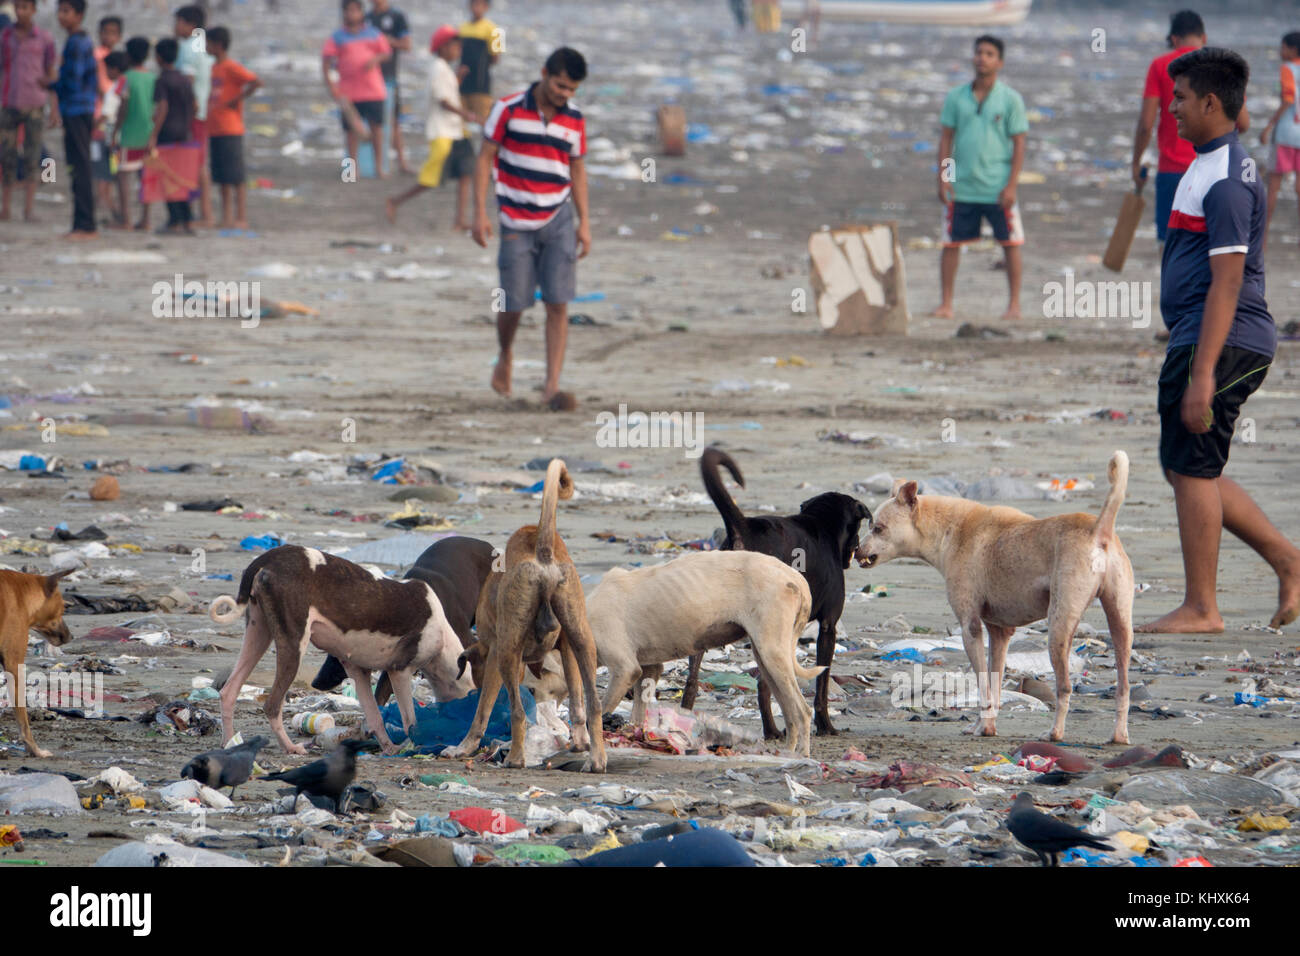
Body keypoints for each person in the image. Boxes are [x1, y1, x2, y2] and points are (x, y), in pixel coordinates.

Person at [1139, 47, 1300, 635]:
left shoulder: (1229, 178)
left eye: (1180, 98)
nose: (1172, 108)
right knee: (1185, 467)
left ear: (1210, 102)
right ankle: (1287, 562)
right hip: (1204, 335)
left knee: (1193, 467)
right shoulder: (1209, 163)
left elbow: (1228, 282)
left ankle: (1202, 608)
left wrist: (1203, 372)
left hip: (1222, 339)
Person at [473, 46, 590, 410]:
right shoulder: (507, 109)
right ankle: (505, 354)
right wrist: (480, 212)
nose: (563, 95)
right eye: (559, 86)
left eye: (571, 89)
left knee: (558, 302)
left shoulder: (574, 119)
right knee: (514, 301)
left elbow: (578, 169)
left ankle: (551, 385)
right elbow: (485, 158)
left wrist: (585, 222)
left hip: (558, 216)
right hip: (514, 219)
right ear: (543, 73)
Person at [1132, 11, 1248, 248]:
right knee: (1215, 245)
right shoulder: (1222, 68)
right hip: (1219, 170)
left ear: (1174, 39)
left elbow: (1146, 124)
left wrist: (1136, 163)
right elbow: (1243, 123)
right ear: (1203, 37)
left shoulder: (1161, 66)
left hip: (1173, 171)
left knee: (1172, 248)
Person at [932, 34, 1027, 320]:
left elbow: (1019, 142)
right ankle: (946, 303)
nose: (982, 58)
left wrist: (1011, 185)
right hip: (962, 186)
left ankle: (1013, 305)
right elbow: (946, 138)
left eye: (989, 54)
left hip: (998, 186)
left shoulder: (1010, 99)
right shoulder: (956, 97)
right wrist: (944, 178)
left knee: (1010, 244)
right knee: (951, 244)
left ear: (999, 62)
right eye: (979, 53)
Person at [385, 25, 475, 228]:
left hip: (455, 131)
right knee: (430, 179)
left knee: (466, 173)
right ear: (443, 47)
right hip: (443, 132)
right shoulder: (438, 68)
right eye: (455, 47)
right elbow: (443, 101)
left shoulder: (443, 69)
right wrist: (466, 114)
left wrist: (458, 79)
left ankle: (460, 220)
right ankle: (395, 201)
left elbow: (447, 93)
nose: (458, 51)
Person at [0, 0, 56, 222]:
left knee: (34, 156)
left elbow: (51, 73)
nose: (20, 12)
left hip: (35, 103)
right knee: (7, 157)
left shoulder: (45, 39)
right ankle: (6, 209)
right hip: (8, 103)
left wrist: (54, 107)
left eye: (25, 7)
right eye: (18, 7)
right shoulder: (5, 37)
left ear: (33, 9)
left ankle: (28, 210)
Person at [322, 0, 390, 178]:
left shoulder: (373, 33)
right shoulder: (337, 37)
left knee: (377, 130)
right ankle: (351, 171)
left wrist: (375, 60)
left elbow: (386, 52)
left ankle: (379, 168)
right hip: (348, 93)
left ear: (361, 13)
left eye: (355, 10)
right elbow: (326, 63)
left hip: (373, 90)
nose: (352, 14)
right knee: (350, 133)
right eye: (348, 10)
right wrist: (331, 86)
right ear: (343, 13)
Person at [52, 0, 98, 239]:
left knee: (80, 166)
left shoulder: (77, 42)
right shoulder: (77, 40)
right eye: (59, 11)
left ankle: (86, 225)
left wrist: (50, 83)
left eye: (66, 11)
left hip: (78, 110)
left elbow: (72, 81)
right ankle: (81, 223)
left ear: (78, 15)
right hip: (76, 109)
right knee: (76, 166)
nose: (61, 16)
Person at [205, 25, 258, 230]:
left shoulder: (231, 66)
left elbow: (254, 81)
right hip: (215, 128)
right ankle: (226, 217)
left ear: (218, 45)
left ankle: (241, 217)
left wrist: (237, 100)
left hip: (230, 128)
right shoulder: (214, 68)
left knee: (236, 176)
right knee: (222, 177)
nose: (206, 47)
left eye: (208, 43)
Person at [148, 34, 196, 234]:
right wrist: (187, 125)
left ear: (158, 57)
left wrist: (153, 135)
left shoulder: (162, 80)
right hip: (184, 133)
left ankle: (174, 221)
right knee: (181, 177)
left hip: (167, 133)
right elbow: (195, 105)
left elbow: (163, 107)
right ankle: (187, 220)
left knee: (167, 178)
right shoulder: (184, 79)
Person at [1259, 31, 1300, 251]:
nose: (1280, 51)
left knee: (1273, 187)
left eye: (1283, 47)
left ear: (1292, 49)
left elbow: (1288, 98)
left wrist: (1269, 126)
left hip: (1285, 132)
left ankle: (1262, 237)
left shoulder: (1287, 69)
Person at [174, 5, 213, 225]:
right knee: (198, 163)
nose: (176, 27)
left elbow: (187, 84)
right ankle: (203, 212)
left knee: (193, 164)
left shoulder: (189, 48)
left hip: (191, 115)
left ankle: (203, 214)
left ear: (190, 25)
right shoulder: (200, 46)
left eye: (178, 22)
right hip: (200, 113)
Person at [366, 0, 411, 174]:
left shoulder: (397, 16)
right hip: (366, 78)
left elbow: (407, 44)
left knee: (393, 120)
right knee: (367, 122)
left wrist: (387, 41)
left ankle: (401, 163)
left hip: (388, 76)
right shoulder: (366, 18)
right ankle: (361, 168)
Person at [114, 34, 152, 229]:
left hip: (129, 134)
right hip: (149, 134)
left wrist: (115, 132)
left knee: (123, 177)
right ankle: (146, 219)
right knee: (146, 178)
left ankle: (126, 219)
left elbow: (122, 106)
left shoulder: (125, 78)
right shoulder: (153, 78)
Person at [91, 13, 120, 223]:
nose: (109, 36)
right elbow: (101, 88)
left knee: (109, 163)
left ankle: (105, 201)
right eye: (106, 32)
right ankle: (104, 203)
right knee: (101, 163)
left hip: (112, 120)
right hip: (99, 117)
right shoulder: (97, 57)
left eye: (113, 33)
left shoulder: (116, 59)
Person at [458, 0, 499, 124]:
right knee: (460, 120)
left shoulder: (494, 29)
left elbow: (495, 58)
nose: (477, 8)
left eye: (480, 5)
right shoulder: (462, 28)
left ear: (486, 7)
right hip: (463, 82)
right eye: (474, 4)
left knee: (484, 120)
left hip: (481, 83)